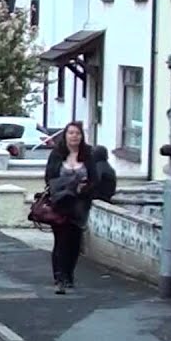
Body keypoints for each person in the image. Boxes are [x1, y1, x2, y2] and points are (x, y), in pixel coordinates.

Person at [44, 121, 98, 295]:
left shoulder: (88, 154)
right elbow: (49, 177)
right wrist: (61, 189)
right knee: (60, 239)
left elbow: (94, 178)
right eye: (71, 133)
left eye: (78, 133)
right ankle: (59, 277)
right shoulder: (57, 154)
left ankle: (69, 276)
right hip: (60, 203)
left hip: (80, 204)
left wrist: (85, 189)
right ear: (65, 136)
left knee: (74, 241)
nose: (74, 136)